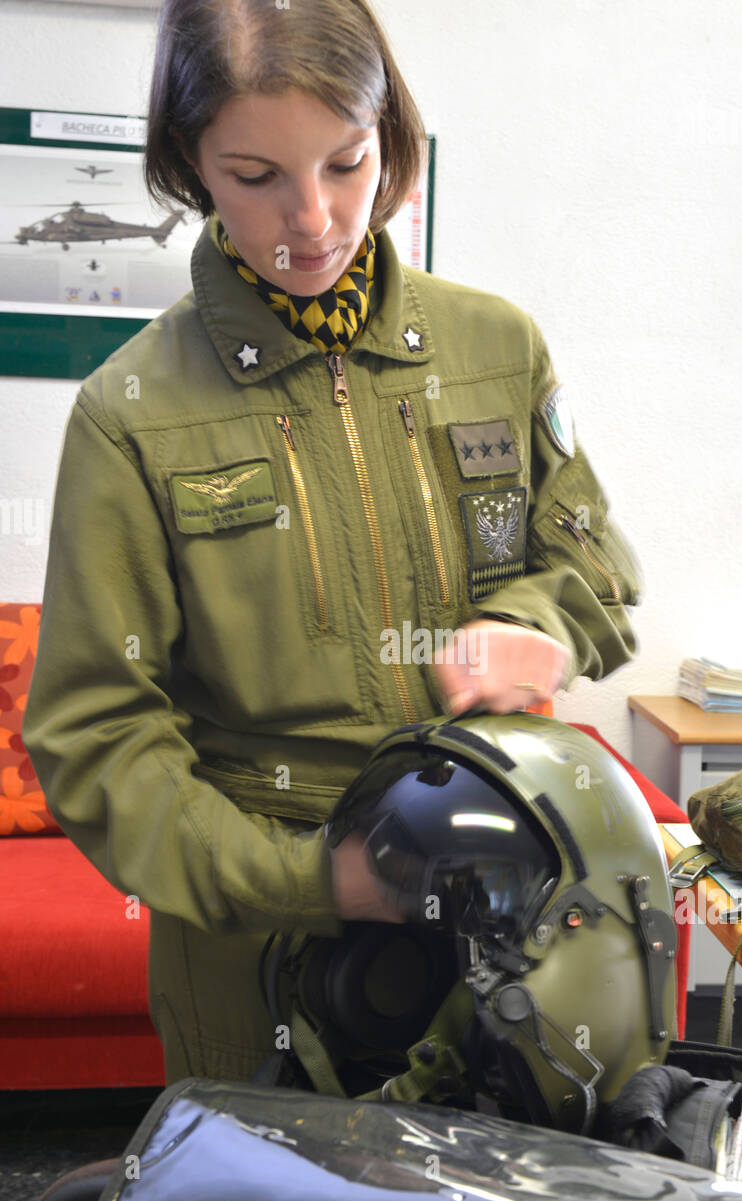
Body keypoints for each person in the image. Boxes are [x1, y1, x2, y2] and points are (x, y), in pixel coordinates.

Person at [23, 0, 642, 1087]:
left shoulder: (498, 346)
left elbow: (592, 564)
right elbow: (98, 740)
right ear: (188, 165)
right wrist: (324, 879)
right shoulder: (130, 414)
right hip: (261, 952)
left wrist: (532, 624)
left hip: (501, 918)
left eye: (347, 164)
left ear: (389, 139)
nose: (311, 218)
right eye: (255, 175)